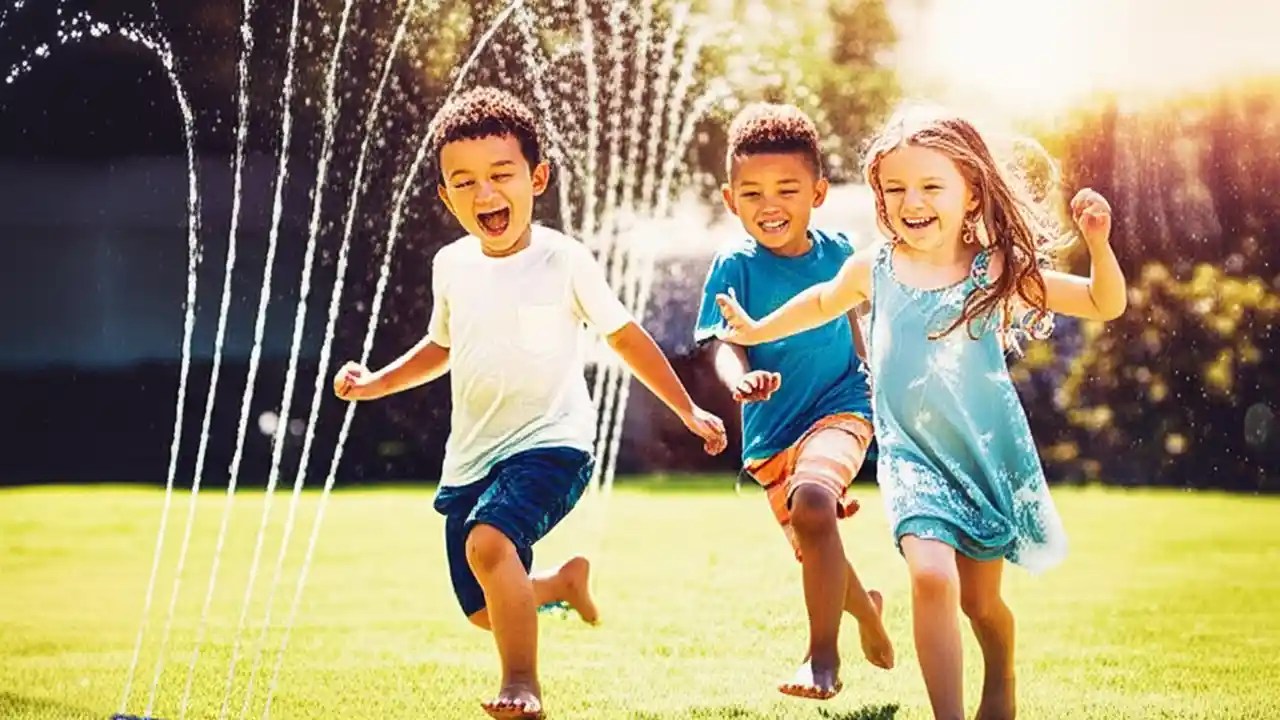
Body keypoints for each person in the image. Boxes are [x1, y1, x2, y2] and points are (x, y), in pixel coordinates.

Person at [714, 103, 1127, 720]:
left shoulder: (995, 273)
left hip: (982, 452)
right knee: (932, 576)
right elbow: (820, 302)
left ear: (971, 191)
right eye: (896, 188)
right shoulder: (875, 268)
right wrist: (756, 327)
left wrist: (1098, 245)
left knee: (982, 604)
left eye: (931, 186)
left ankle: (1002, 673)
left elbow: (1102, 303)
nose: (913, 201)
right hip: (911, 457)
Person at [334, 86, 727, 720]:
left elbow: (625, 336)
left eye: (500, 175)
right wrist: (377, 381)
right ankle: (563, 584)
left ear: (535, 177)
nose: (484, 194)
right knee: (482, 606)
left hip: (553, 444)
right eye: (463, 182)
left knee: (489, 546)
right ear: (445, 196)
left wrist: (687, 410)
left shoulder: (563, 261)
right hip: (472, 458)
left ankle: (523, 686)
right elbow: (441, 346)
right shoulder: (452, 266)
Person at [693, 102, 895, 701]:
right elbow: (723, 345)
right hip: (772, 437)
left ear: (819, 192)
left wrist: (871, 379)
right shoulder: (734, 266)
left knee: (812, 506)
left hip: (842, 405)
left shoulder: (840, 254)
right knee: (815, 544)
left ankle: (821, 657)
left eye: (787, 188)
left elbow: (855, 322)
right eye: (751, 193)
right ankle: (868, 610)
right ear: (731, 201)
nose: (769, 204)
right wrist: (738, 381)